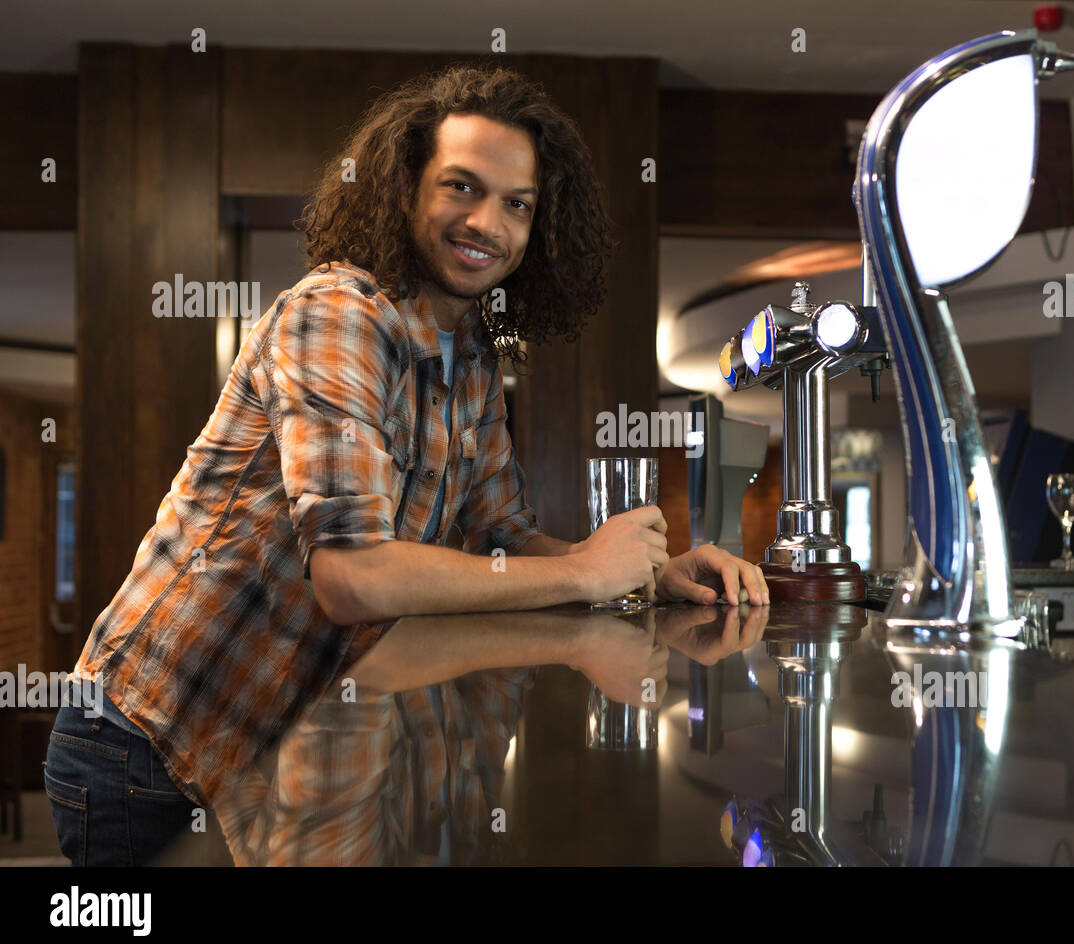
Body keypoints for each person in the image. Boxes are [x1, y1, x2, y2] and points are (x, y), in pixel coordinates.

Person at [45, 63, 769, 866]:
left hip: (277, 745)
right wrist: (583, 577)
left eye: (517, 204)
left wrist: (643, 575)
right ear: (402, 190)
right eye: (462, 187)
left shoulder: (476, 359)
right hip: (149, 747)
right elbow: (353, 578)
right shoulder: (338, 313)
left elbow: (501, 535)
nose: (487, 222)